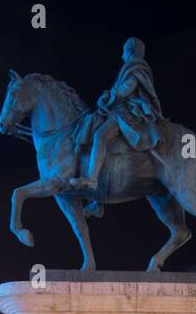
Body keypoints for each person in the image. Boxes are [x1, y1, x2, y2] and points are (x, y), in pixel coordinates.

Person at [69, 37, 163, 209]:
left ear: (130, 51)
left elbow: (127, 88)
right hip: (119, 109)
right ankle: (98, 198)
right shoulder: (132, 67)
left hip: (129, 112)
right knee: (92, 124)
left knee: (100, 135)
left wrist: (110, 96)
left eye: (124, 51)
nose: (122, 54)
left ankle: (91, 179)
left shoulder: (136, 67)